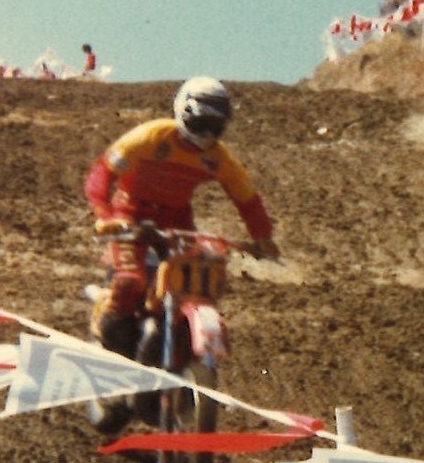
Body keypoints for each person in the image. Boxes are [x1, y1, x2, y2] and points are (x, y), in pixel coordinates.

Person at [84, 76, 279, 359]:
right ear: (183, 113)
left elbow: (247, 199)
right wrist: (104, 215)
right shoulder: (151, 137)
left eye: (215, 127)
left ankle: (174, 343)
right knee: (131, 281)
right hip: (131, 212)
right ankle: (108, 333)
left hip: (177, 219)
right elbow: (103, 172)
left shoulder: (218, 158)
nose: (207, 134)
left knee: (194, 281)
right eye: (201, 123)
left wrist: (263, 237)